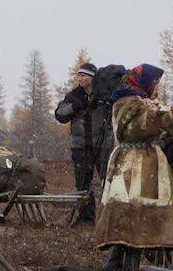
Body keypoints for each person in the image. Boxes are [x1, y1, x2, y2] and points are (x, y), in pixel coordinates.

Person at [93, 63, 173, 271]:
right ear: (145, 82)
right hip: (131, 166)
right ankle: (120, 265)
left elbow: (162, 125)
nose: (157, 88)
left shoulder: (142, 102)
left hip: (144, 166)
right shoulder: (127, 102)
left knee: (137, 215)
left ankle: (125, 265)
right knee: (129, 214)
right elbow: (141, 126)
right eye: (155, 83)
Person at [54, 62, 127, 224]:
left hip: (102, 145)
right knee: (82, 185)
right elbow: (59, 114)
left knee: (107, 181)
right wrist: (75, 106)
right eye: (79, 75)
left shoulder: (104, 95)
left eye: (84, 75)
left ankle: (109, 216)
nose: (80, 78)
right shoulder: (74, 96)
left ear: (93, 78)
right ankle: (87, 217)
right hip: (80, 146)